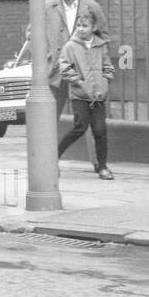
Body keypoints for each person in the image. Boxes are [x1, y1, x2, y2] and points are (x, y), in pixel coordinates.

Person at [57, 12, 116, 179]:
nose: (81, 29)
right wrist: (79, 81)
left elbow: (108, 66)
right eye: (79, 26)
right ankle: (54, 155)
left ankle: (103, 167)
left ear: (94, 28)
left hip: (98, 96)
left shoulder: (101, 45)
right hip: (80, 95)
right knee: (80, 127)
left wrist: (106, 80)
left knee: (100, 130)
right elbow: (65, 68)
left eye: (85, 26)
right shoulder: (71, 46)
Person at [43, 0, 108, 120]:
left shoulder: (92, 7)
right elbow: (32, 35)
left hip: (84, 73)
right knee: (50, 119)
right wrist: (47, 56)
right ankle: (51, 144)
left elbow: (104, 37)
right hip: (55, 71)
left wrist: (99, 66)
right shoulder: (47, 6)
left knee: (88, 119)